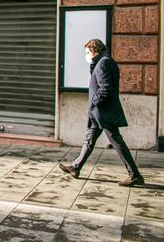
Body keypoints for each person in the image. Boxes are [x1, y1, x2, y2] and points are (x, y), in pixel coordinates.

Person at [59, 38, 144, 187]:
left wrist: (94, 102)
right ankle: (75, 167)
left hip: (104, 112)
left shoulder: (103, 62)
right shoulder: (105, 61)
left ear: (94, 50)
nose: (86, 55)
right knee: (89, 139)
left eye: (87, 52)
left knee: (117, 142)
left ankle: (134, 175)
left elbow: (105, 88)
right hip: (99, 112)